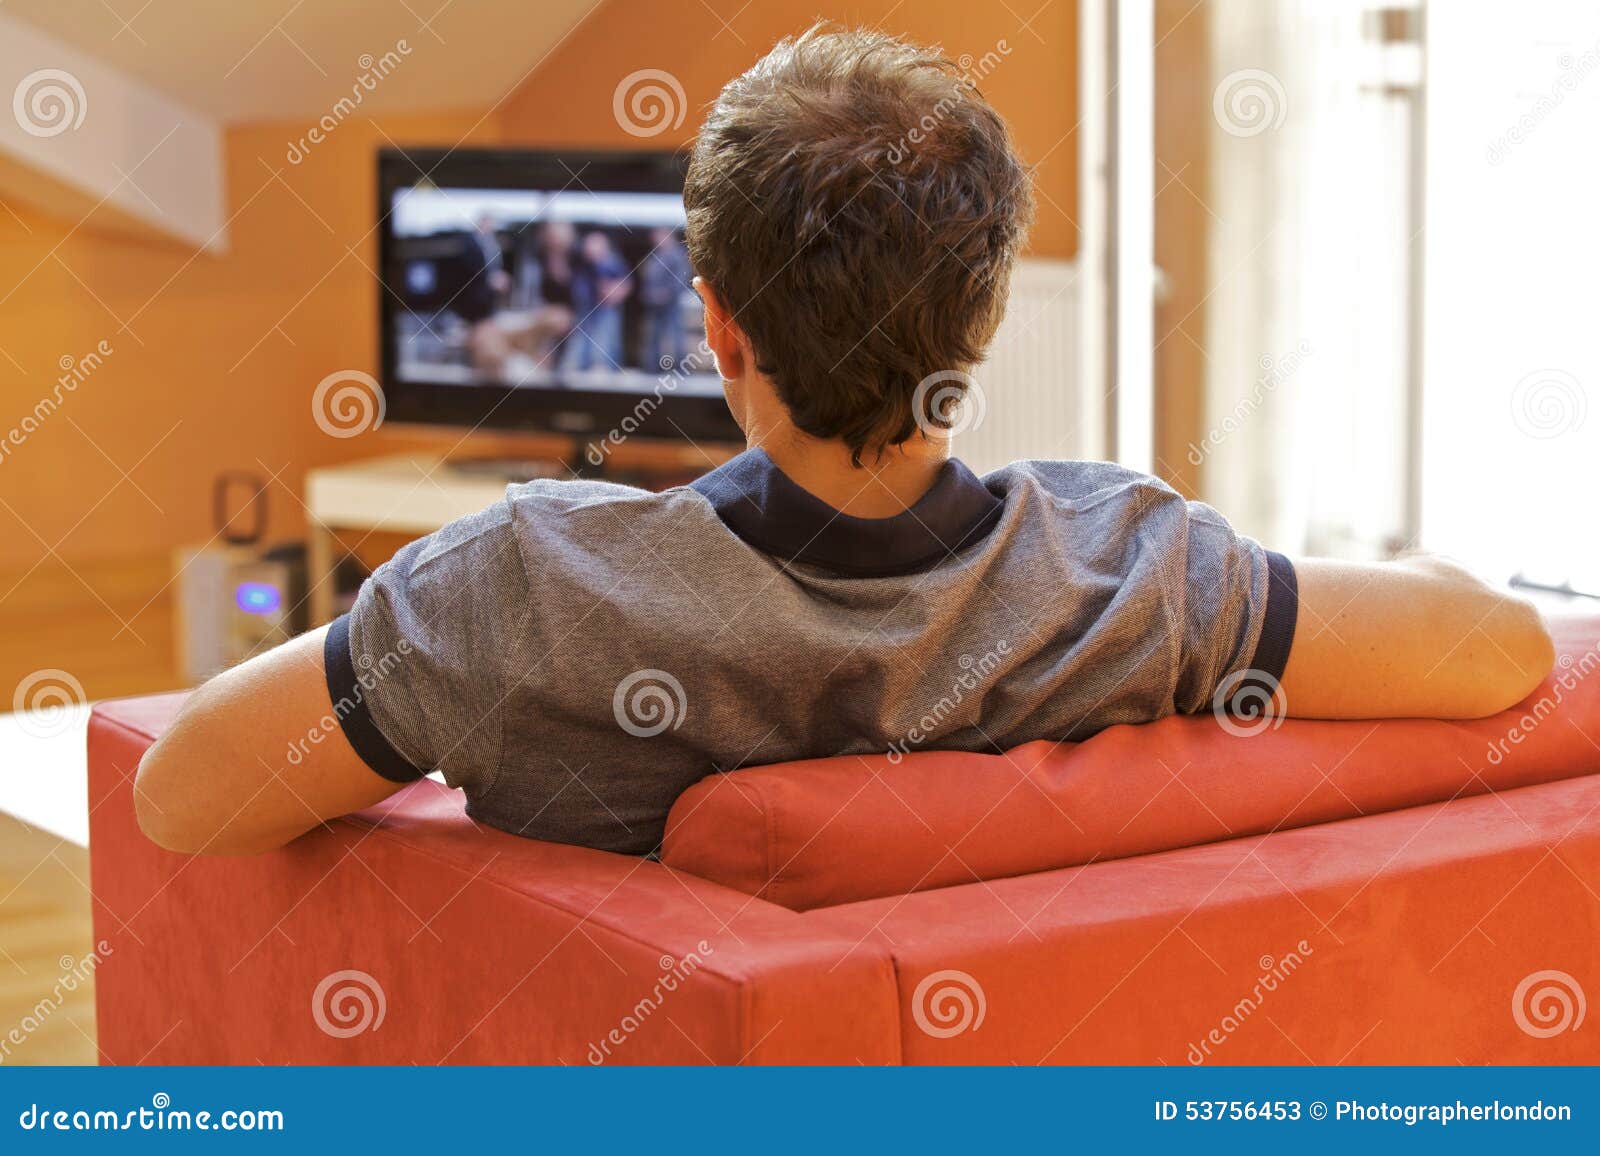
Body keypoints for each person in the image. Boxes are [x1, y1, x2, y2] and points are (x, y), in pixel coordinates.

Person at [135, 27, 1554, 858]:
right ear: (985, 317)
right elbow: (1503, 652)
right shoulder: (1134, 573)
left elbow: (182, 794)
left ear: (717, 328)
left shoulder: (516, 592)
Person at [560, 231, 631, 372]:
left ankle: (602, 367)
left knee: (604, 339)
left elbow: (626, 284)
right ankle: (578, 366)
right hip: (585, 310)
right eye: (587, 244)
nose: (588, 248)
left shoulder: (611, 263)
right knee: (580, 340)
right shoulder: (583, 265)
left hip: (604, 309)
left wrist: (614, 292)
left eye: (593, 244)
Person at [639, 227, 692, 370]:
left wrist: (667, 294)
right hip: (654, 303)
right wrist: (649, 293)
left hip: (671, 303)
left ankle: (680, 367)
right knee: (653, 335)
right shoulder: (656, 256)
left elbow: (681, 279)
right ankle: (652, 367)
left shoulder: (677, 255)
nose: (655, 240)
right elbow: (648, 278)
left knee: (675, 334)